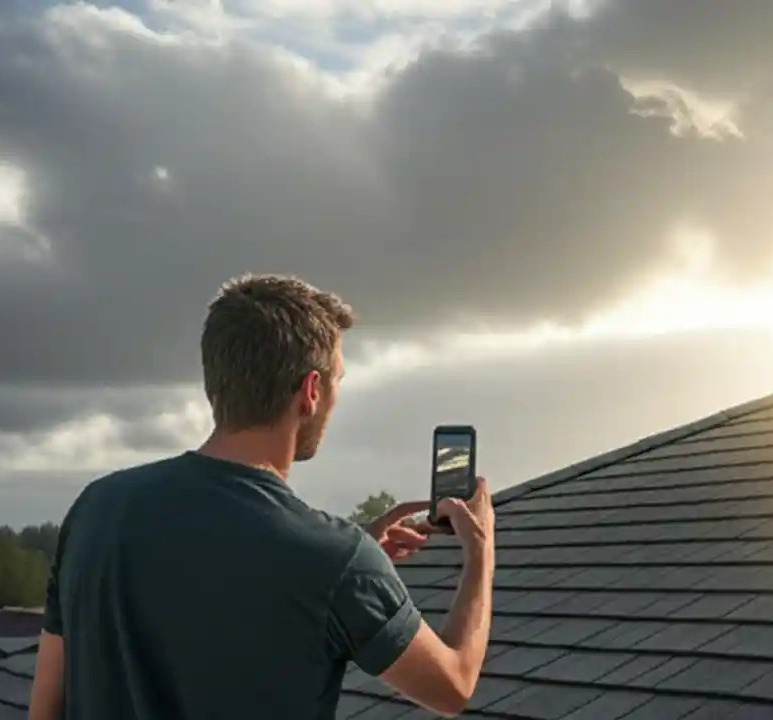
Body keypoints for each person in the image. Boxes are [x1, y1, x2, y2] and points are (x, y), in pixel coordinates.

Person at [27, 275, 495, 719]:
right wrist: (481, 554)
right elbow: (452, 686)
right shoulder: (338, 560)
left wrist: (354, 564)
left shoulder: (96, 510)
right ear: (311, 391)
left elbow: (46, 707)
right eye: (337, 381)